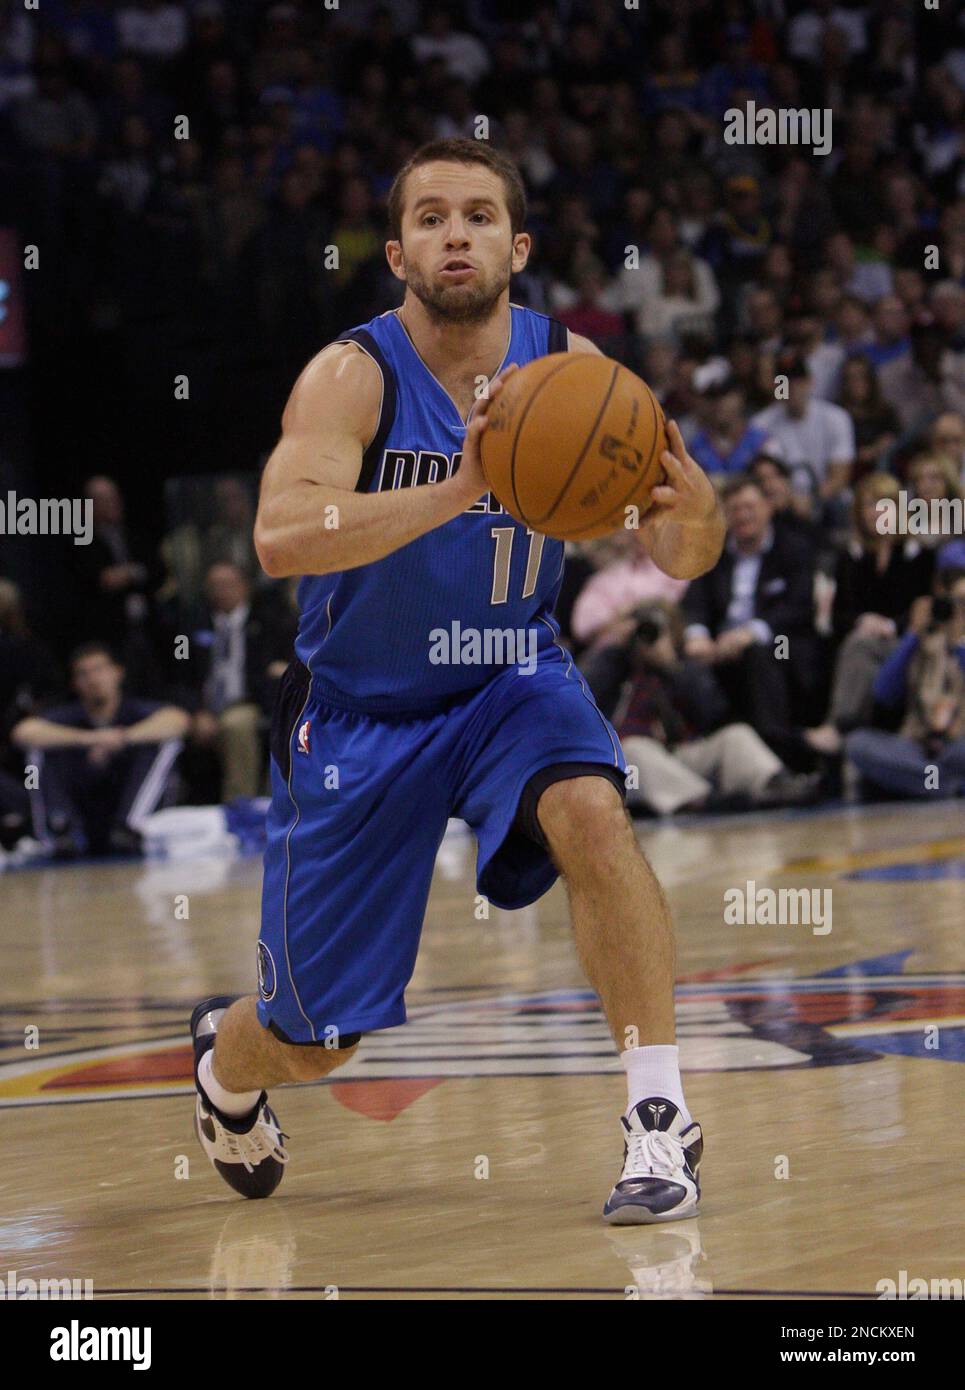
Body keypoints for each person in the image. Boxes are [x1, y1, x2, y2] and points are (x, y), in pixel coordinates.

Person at [189, 138, 725, 1223]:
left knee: (589, 810)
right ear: (397, 253)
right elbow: (282, 535)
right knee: (313, 1042)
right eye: (429, 218)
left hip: (504, 672)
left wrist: (695, 513)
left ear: (515, 247)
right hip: (357, 715)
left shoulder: (573, 371)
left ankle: (659, 1116)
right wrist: (459, 484)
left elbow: (680, 554)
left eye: (477, 215)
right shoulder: (352, 375)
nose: (454, 234)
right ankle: (223, 1068)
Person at [582, 601, 819, 815]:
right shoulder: (614, 666)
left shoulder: (683, 666)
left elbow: (713, 712)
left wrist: (671, 666)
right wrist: (614, 648)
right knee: (633, 748)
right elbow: (582, 695)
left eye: (657, 630)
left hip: (681, 754)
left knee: (735, 735)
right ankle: (701, 800)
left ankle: (776, 785)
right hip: (630, 766)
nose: (649, 638)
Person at [682, 473, 818, 769]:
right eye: (734, 509)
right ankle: (716, 750)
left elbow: (800, 607)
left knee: (761, 653)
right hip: (721, 647)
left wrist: (751, 633)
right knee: (685, 664)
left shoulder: (794, 548)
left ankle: (775, 758)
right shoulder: (713, 554)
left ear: (768, 507)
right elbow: (695, 604)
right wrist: (697, 635)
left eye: (749, 507)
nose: (743, 515)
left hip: (779, 643)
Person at [11, 642, 189, 857]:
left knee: (165, 744)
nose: (93, 680)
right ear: (75, 683)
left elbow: (178, 721)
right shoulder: (70, 714)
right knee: (37, 752)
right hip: (83, 802)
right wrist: (91, 738)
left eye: (99, 670)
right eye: (84, 674)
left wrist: (122, 738)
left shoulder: (135, 709)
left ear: (118, 673)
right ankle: (60, 829)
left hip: (127, 798)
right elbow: (23, 732)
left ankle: (131, 827)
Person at [805, 473, 934, 755]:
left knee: (860, 646)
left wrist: (889, 625)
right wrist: (862, 620)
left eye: (883, 503)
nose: (875, 512)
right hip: (863, 649)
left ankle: (838, 726)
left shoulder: (920, 555)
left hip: (906, 644)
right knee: (863, 660)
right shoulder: (850, 558)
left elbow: (925, 611)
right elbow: (839, 617)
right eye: (868, 505)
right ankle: (863, 748)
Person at [846, 570, 965, 799]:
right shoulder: (925, 642)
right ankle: (951, 787)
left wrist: (959, 642)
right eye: (955, 602)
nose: (959, 610)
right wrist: (912, 633)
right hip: (918, 746)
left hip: (959, 743)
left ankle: (927, 785)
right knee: (858, 744)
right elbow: (883, 692)